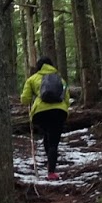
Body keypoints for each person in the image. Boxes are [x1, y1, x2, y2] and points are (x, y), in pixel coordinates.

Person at [20, 53, 69, 181]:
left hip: (40, 113)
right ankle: (51, 171)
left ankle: (50, 167)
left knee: (47, 137)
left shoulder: (32, 79)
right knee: (53, 142)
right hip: (59, 111)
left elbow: (25, 99)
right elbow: (66, 98)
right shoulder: (60, 79)